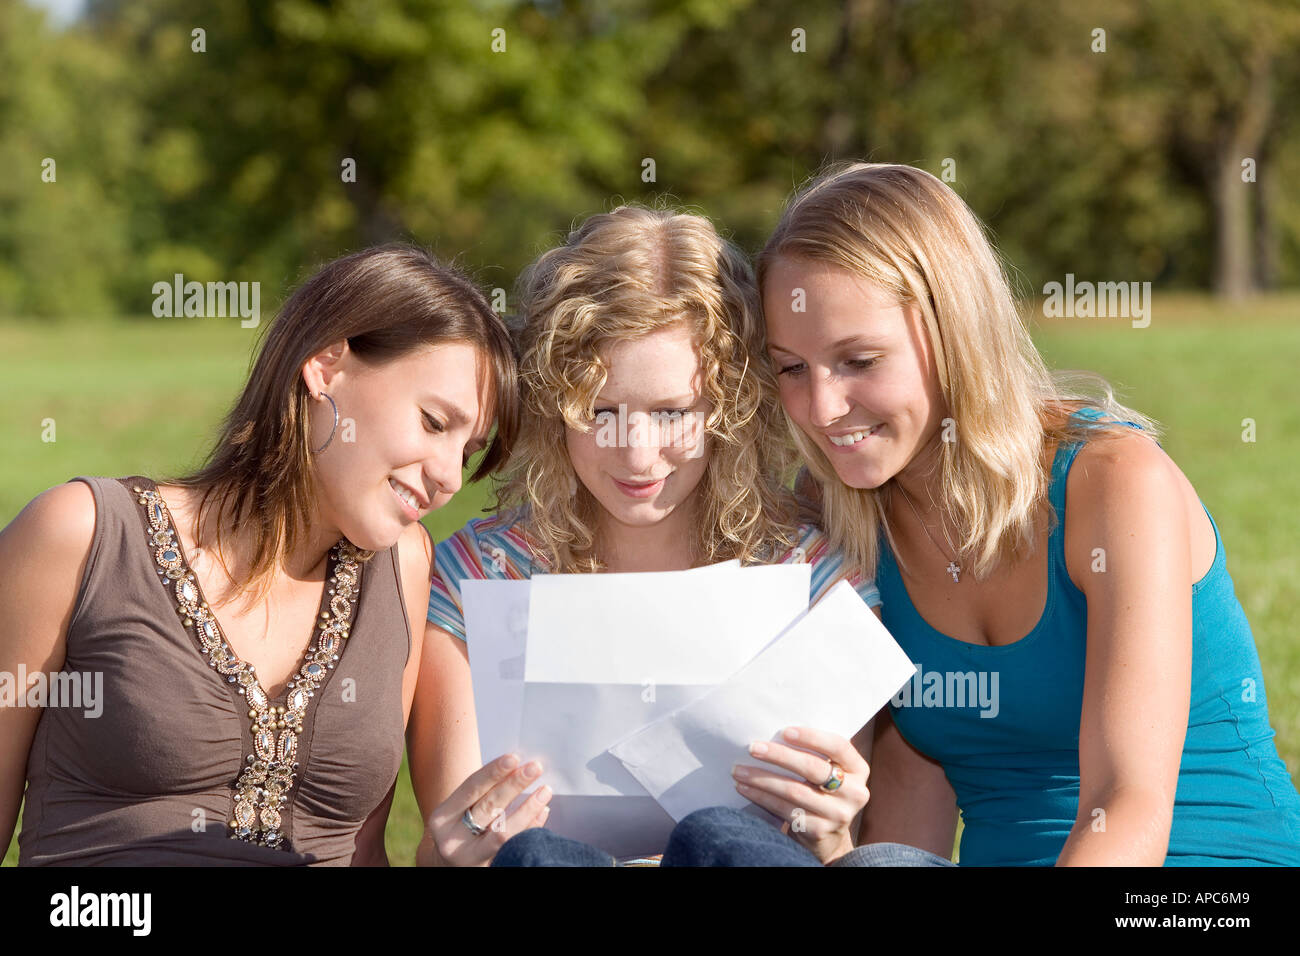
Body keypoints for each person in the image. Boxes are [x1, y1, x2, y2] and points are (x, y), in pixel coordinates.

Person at [756, 161, 1300, 866]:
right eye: (791, 368)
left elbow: (1126, 807)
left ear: (956, 332)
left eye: (858, 360)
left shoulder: (1112, 482)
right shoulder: (836, 511)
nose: (823, 409)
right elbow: (903, 812)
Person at [1, 244, 518, 865]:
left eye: (468, 452)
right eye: (435, 423)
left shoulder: (402, 566)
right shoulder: (81, 536)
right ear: (327, 366)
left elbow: (362, 851)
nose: (449, 478)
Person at [410, 205, 885, 866]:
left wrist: (833, 833)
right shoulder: (476, 578)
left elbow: (835, 850)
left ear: (729, 406)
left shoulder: (814, 575)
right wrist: (452, 852)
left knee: (724, 838)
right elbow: (445, 851)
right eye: (602, 412)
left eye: (672, 413)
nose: (637, 456)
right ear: (556, 407)